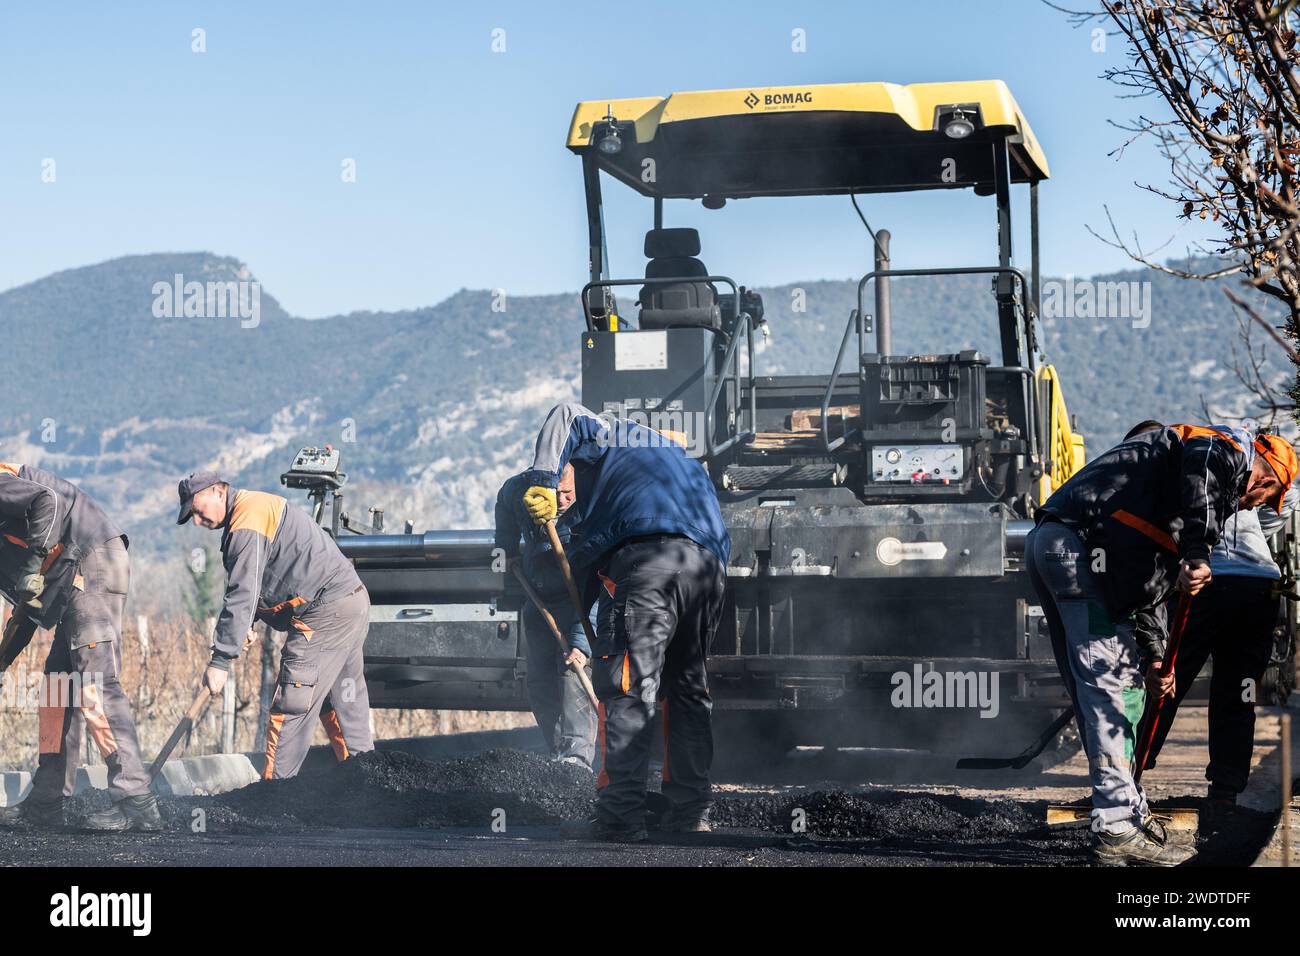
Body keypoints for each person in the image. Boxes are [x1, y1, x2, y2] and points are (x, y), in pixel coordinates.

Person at [1026, 424, 1290, 865]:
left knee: (1110, 680)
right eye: (1266, 496)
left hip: (1062, 548)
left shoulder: (1153, 502)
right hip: (1076, 550)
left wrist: (1153, 659)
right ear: (1266, 475)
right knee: (1110, 683)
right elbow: (1204, 469)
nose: (1257, 505)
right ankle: (1114, 824)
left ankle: (1126, 806)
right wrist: (1199, 552)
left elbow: (1148, 590)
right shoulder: (1218, 450)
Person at [522, 403, 729, 841]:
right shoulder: (658, 464)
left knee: (629, 688)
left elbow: (566, 414)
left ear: (576, 460)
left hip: (649, 559)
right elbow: (585, 584)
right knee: (688, 691)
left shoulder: (607, 435)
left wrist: (541, 480)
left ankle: (620, 817)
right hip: (708, 569)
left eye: (563, 482)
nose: (562, 498)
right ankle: (688, 813)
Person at [177, 471, 373, 779]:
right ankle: (365, 784)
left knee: (293, 698)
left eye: (197, 511)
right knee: (340, 699)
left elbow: (243, 590)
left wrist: (221, 660)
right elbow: (263, 580)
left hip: (326, 610)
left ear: (218, 491)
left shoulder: (248, 519)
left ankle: (273, 795)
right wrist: (252, 620)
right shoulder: (251, 512)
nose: (197, 522)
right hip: (349, 603)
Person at [0, 462, 159, 830]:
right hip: (67, 576)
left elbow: (46, 499)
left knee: (94, 683)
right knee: (58, 686)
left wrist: (34, 561)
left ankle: (136, 801)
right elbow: (28, 604)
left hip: (92, 559)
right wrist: (3, 660)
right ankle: (46, 803)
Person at [1139, 449, 1298, 816]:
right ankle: (1226, 790)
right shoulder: (1251, 486)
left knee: (1169, 677)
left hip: (1207, 584)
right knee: (1238, 691)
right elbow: (1289, 502)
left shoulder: (1191, 476)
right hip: (1259, 586)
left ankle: (1131, 775)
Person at [495, 463, 597, 769]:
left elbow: (597, 589)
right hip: (538, 600)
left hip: (578, 600)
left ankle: (577, 759)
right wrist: (506, 546)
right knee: (539, 682)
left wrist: (581, 643)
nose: (564, 500)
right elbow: (503, 502)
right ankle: (557, 753)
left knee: (572, 673)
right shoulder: (522, 491)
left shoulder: (594, 506)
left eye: (569, 493)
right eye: (558, 493)